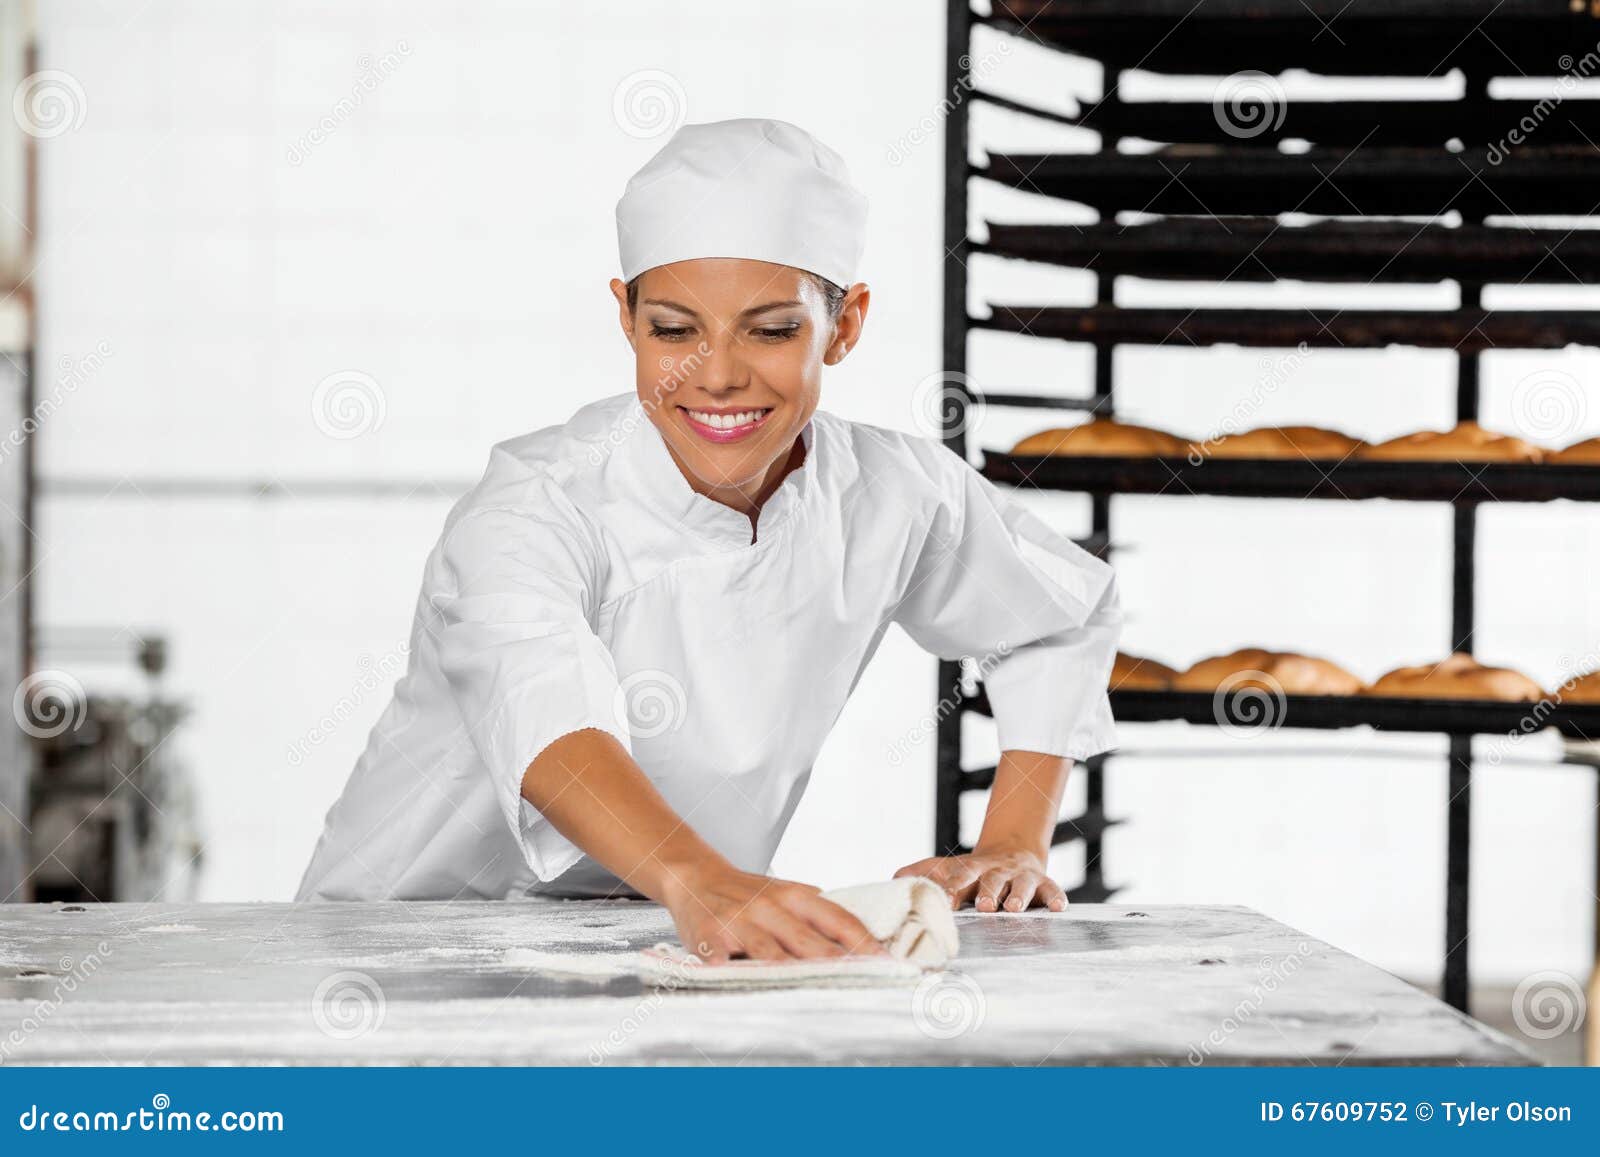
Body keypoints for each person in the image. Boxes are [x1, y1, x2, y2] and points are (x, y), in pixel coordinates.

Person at [296, 117, 1123, 963]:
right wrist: (697, 877)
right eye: (673, 329)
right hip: (402, 954)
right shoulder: (536, 503)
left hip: (666, 947)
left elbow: (1053, 614)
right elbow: (540, 703)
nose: (717, 373)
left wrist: (1013, 840)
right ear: (625, 318)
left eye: (770, 330)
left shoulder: (891, 493)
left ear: (845, 325)